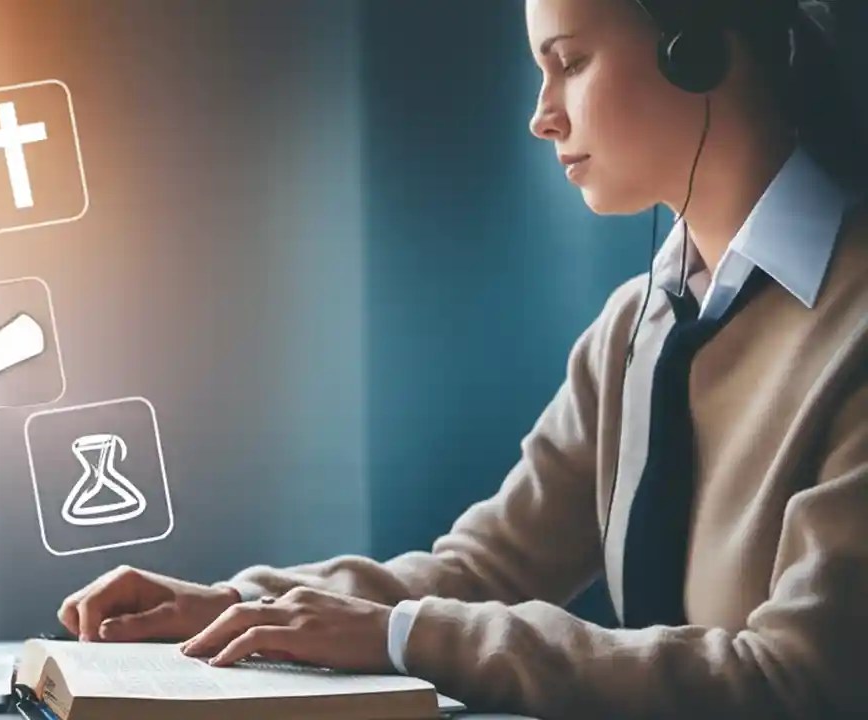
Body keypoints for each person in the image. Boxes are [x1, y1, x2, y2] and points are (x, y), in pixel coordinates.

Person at [57, 0, 868, 716]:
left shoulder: (854, 327)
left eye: (570, 62)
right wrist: (238, 603)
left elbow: (799, 680)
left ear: (694, 48)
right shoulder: (638, 323)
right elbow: (485, 569)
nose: (542, 115)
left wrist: (403, 636)